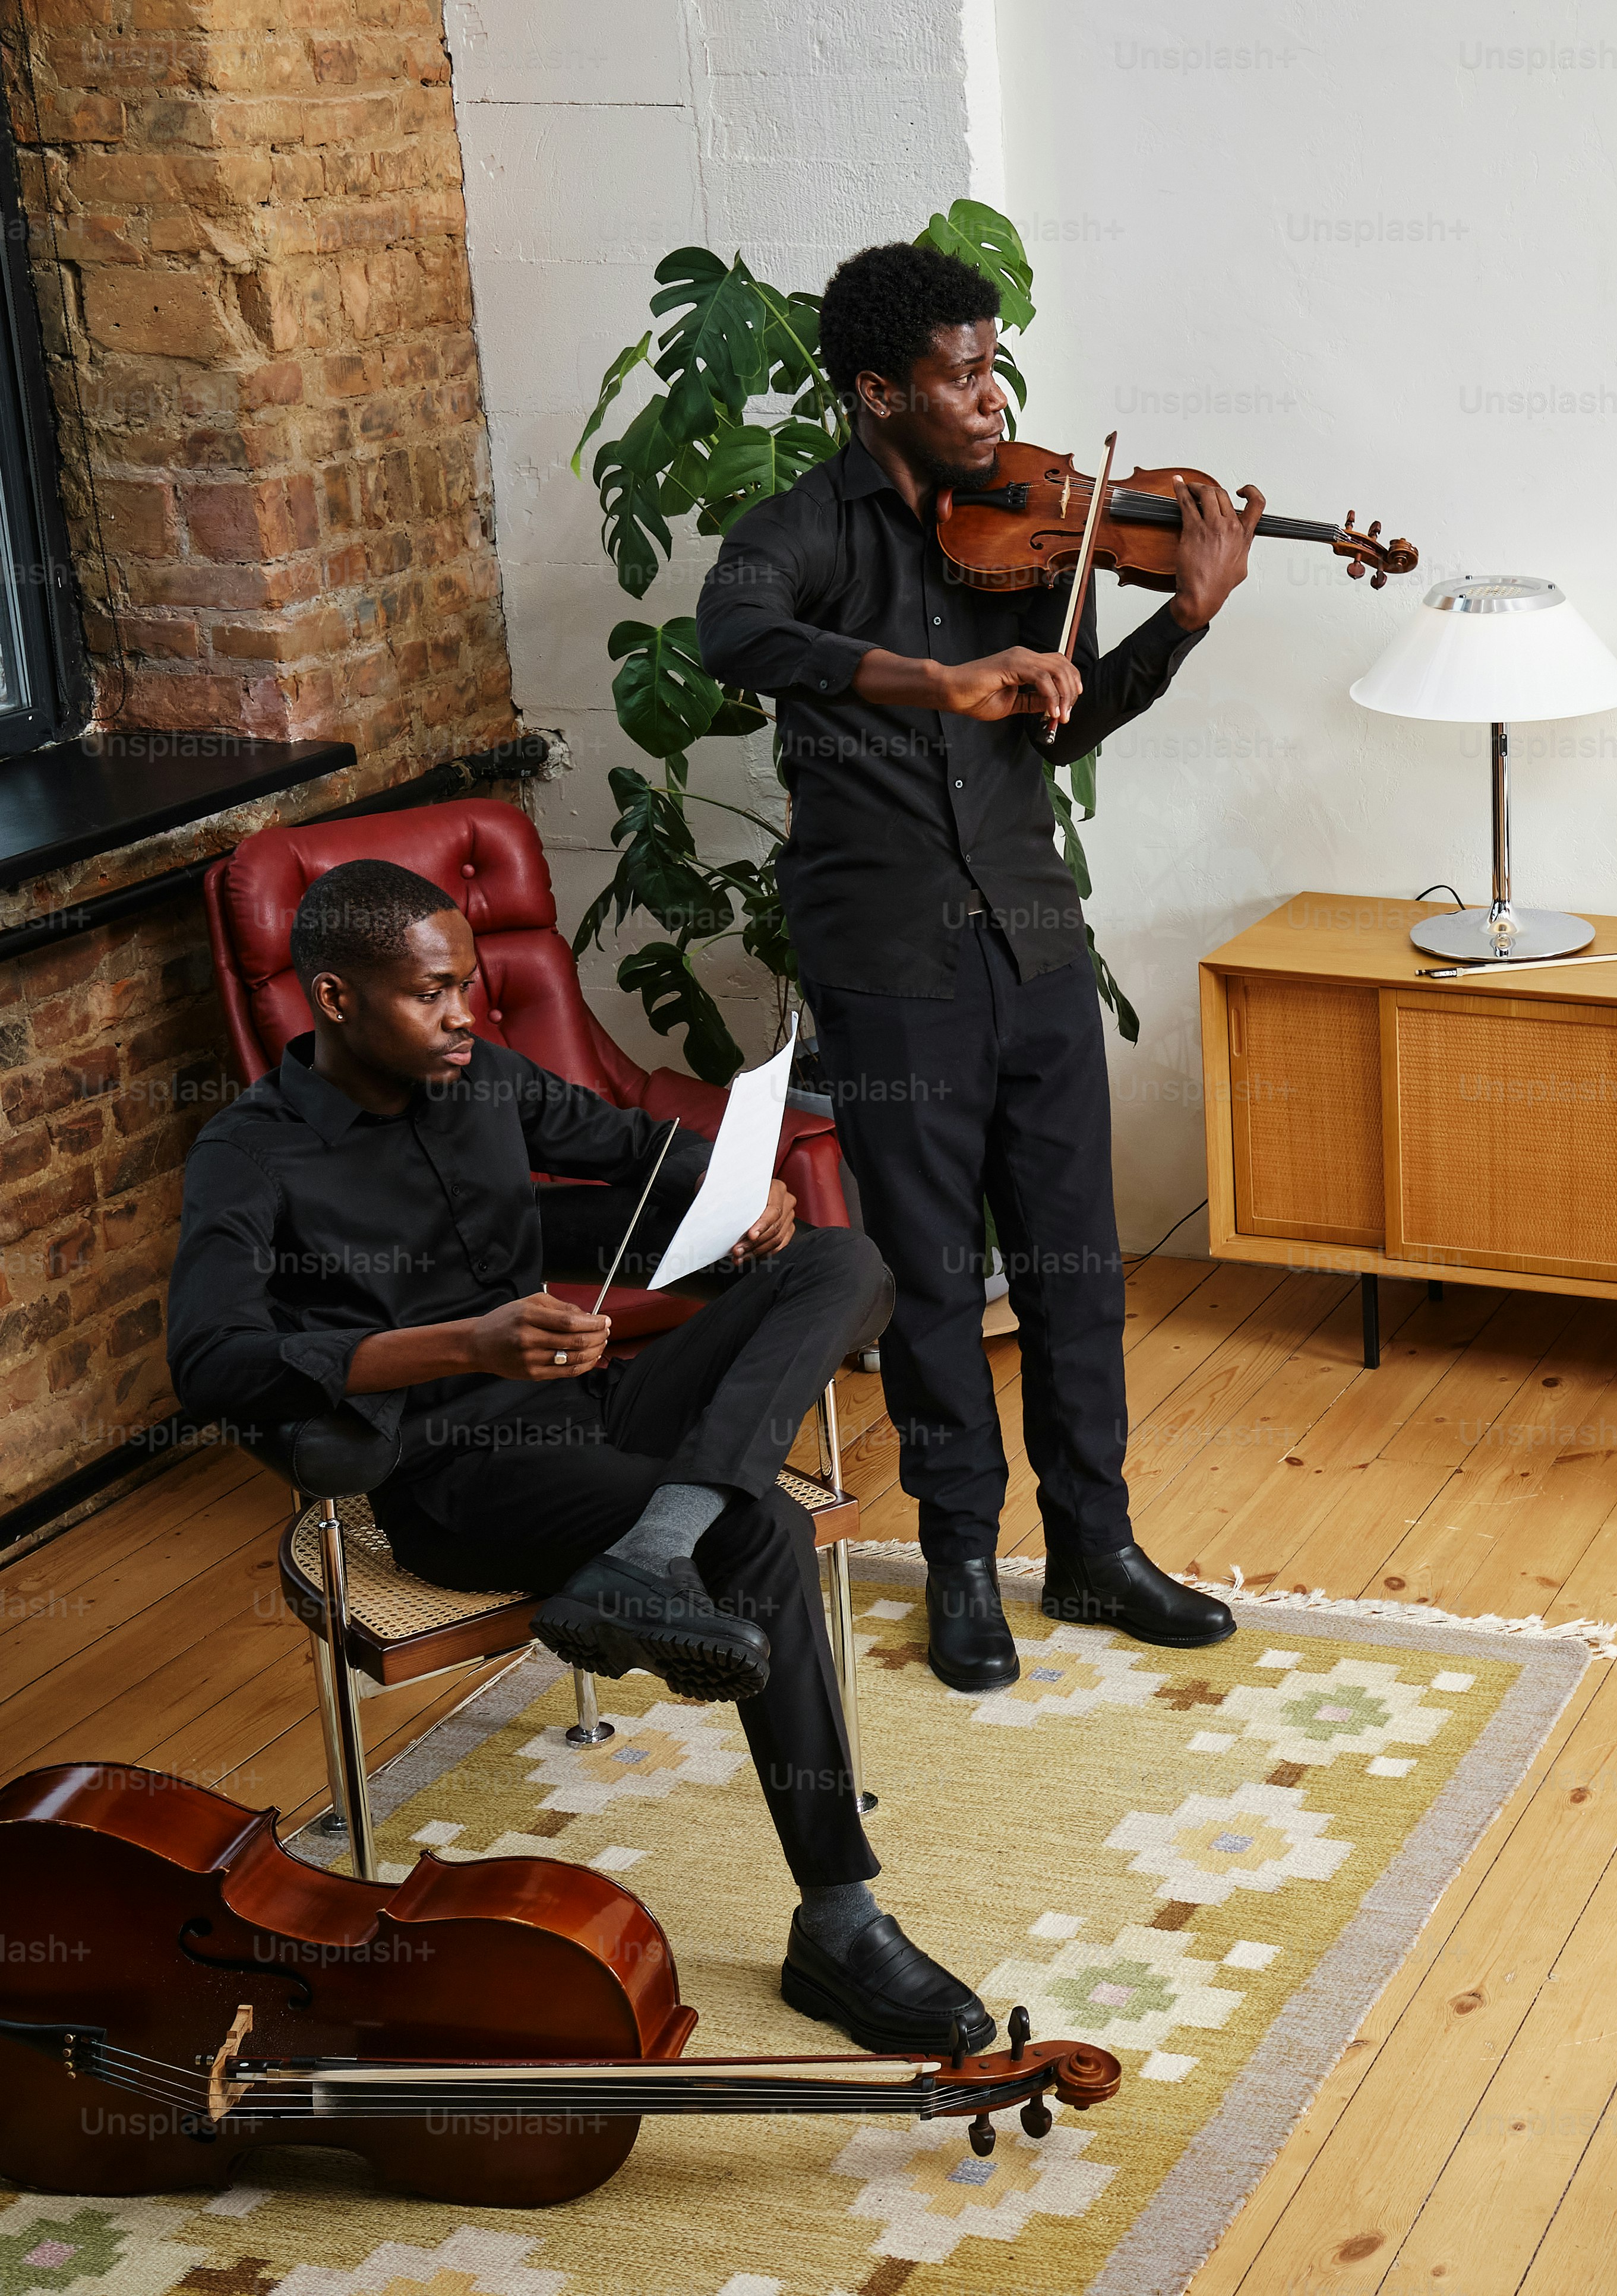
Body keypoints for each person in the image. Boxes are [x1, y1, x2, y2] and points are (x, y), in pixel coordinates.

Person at [168, 860, 990, 2051]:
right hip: (455, 1471)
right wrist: (468, 1342)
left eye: (467, 986)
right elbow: (212, 1360)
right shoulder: (251, 1151)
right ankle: (841, 1921)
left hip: (596, 1401)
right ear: (336, 999)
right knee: (758, 1524)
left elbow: (643, 1149)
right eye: (432, 994)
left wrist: (745, 1189)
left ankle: (656, 1546)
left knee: (841, 1261)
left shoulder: (483, 1076)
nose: (463, 1013)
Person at [700, 239, 1249, 1690]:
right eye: (960, 377)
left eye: (994, 367)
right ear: (879, 392)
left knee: (1077, 1266)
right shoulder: (799, 532)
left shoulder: (1026, 527)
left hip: (1032, 935)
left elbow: (1065, 726)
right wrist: (932, 681)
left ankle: (1094, 1544)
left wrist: (1185, 616)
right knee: (935, 1275)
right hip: (888, 960)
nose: (992, 399)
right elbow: (731, 633)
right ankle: (959, 1560)